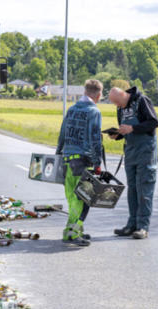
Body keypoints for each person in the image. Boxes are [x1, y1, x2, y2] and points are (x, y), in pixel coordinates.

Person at [55, 79, 103, 247]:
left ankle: (72, 230)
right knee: (84, 198)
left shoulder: (72, 109)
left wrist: (58, 154)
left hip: (67, 159)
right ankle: (73, 233)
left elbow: (62, 132)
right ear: (98, 95)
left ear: (84, 92)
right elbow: (95, 139)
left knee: (72, 198)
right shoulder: (93, 112)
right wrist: (97, 162)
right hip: (82, 161)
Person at [107, 86, 158, 239]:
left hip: (145, 152)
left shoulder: (142, 101)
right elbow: (126, 130)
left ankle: (143, 227)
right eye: (115, 104)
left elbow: (153, 122)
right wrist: (118, 135)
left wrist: (132, 128)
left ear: (124, 95)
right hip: (130, 152)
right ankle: (132, 225)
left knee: (144, 189)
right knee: (132, 190)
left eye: (118, 103)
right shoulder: (121, 109)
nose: (117, 106)